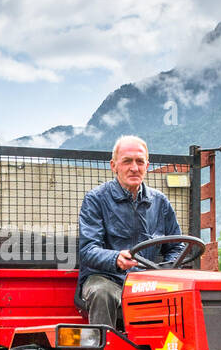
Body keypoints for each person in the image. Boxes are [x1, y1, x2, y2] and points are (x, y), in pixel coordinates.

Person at [76, 134, 183, 329]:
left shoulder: (160, 202)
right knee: (102, 293)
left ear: (147, 166)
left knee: (184, 296)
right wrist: (116, 258)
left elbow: (177, 247)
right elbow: (88, 250)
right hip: (108, 279)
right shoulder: (96, 199)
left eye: (139, 161)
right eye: (127, 161)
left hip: (147, 281)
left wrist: (165, 270)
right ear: (113, 165)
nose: (134, 167)